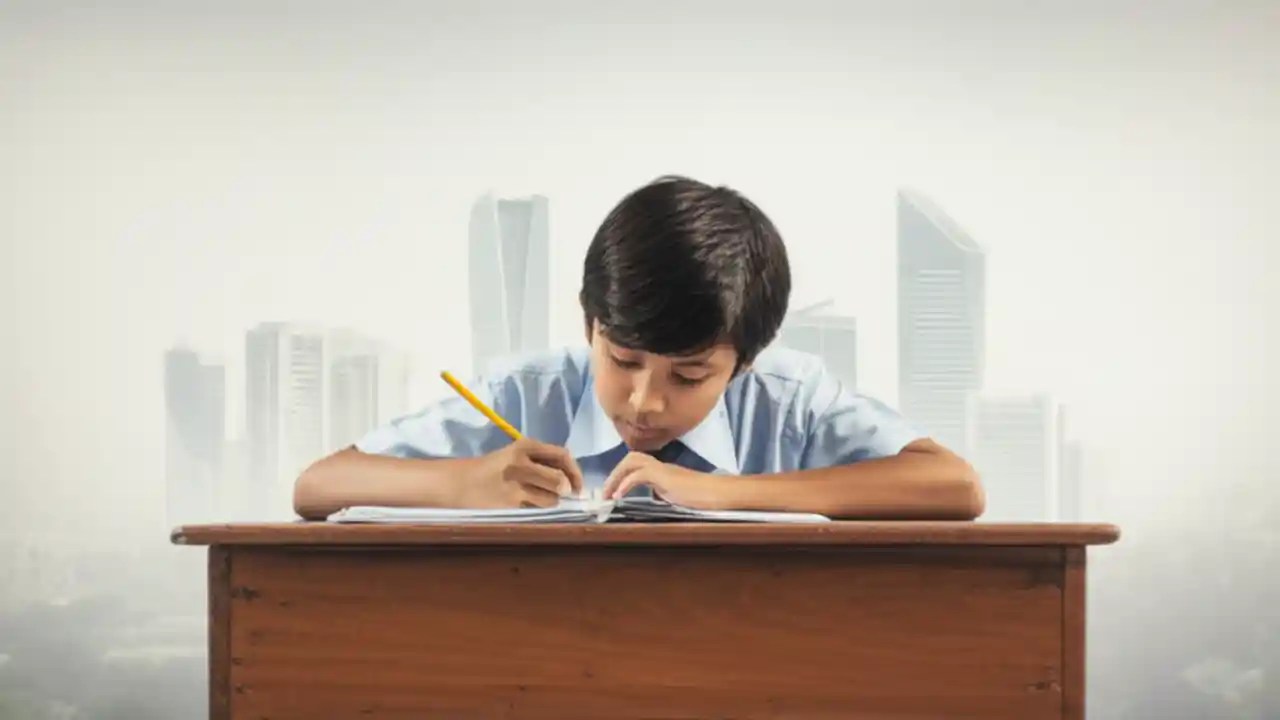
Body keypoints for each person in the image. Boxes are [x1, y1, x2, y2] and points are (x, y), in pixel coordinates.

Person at [294, 176, 983, 520]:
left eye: (690, 376)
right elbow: (319, 485)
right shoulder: (526, 394)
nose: (645, 402)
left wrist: (720, 493)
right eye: (623, 361)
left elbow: (953, 485)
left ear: (743, 364)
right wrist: (464, 482)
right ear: (589, 324)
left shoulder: (788, 401)